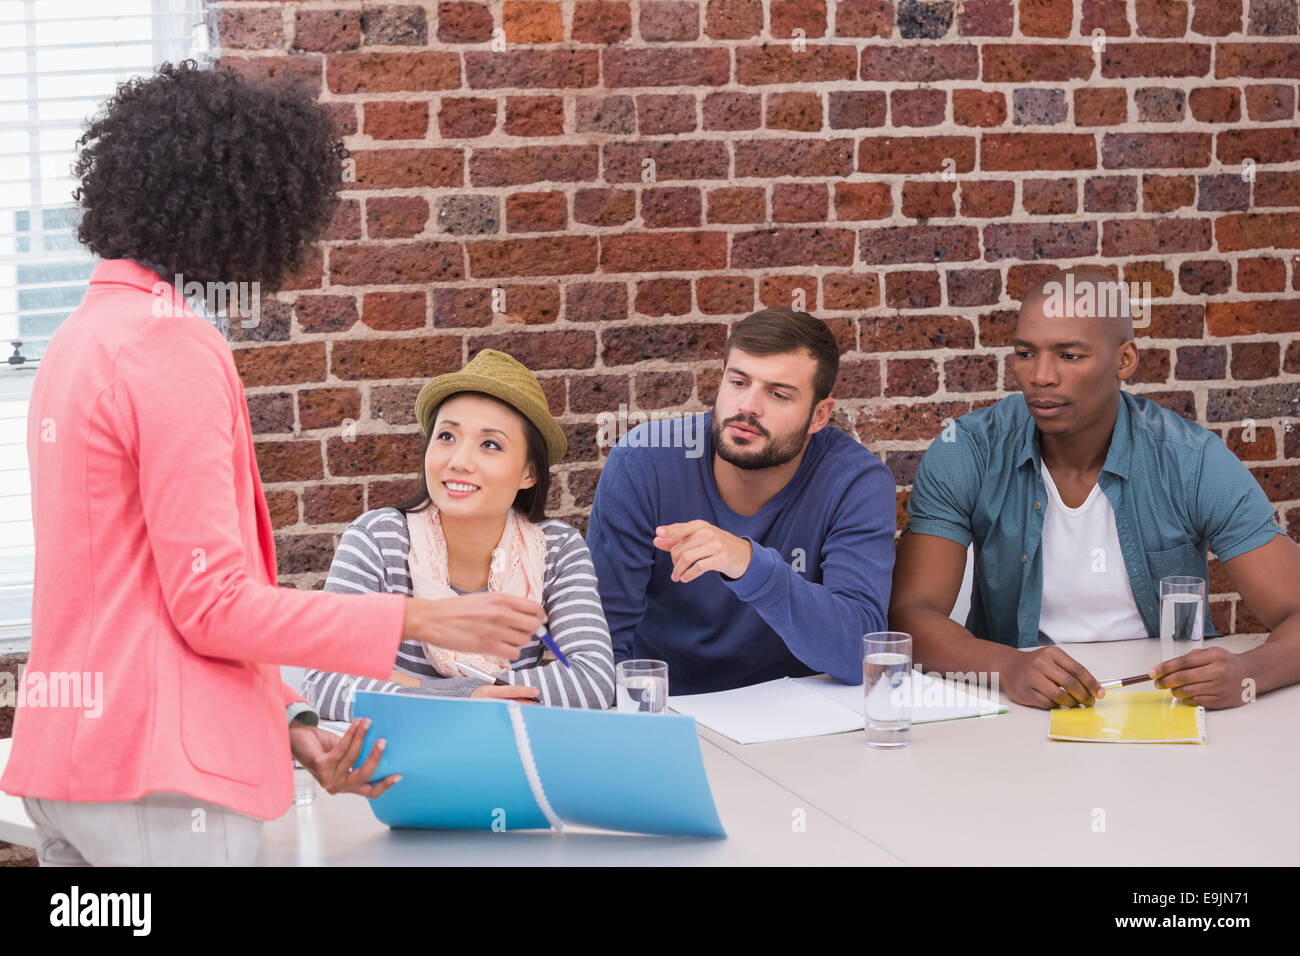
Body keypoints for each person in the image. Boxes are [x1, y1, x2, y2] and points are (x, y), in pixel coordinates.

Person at [2, 62, 542, 867]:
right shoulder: (170, 345)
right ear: (249, 211)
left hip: (74, 776)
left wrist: (292, 726)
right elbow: (213, 604)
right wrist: (417, 618)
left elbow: (139, 600)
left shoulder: (78, 340)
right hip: (164, 789)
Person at [891, 267, 1300, 710]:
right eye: (1026, 354)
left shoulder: (1190, 459)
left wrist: (1247, 673)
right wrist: (1007, 666)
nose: (1041, 376)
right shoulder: (968, 450)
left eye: (1069, 356)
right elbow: (911, 615)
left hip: (1162, 704)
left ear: (1124, 360)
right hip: (1018, 710)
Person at [586, 307, 896, 695]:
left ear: (819, 415)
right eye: (738, 382)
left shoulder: (855, 482)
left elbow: (860, 655)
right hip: (669, 710)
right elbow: (600, 649)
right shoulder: (643, 462)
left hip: (799, 718)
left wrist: (749, 565)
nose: (748, 406)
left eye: (778, 394)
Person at [303, 349, 615, 717]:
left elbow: (593, 680)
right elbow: (324, 682)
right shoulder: (376, 539)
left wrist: (417, 687)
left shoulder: (558, 549)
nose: (459, 461)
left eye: (490, 444)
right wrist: (465, 696)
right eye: (447, 436)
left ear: (529, 474)